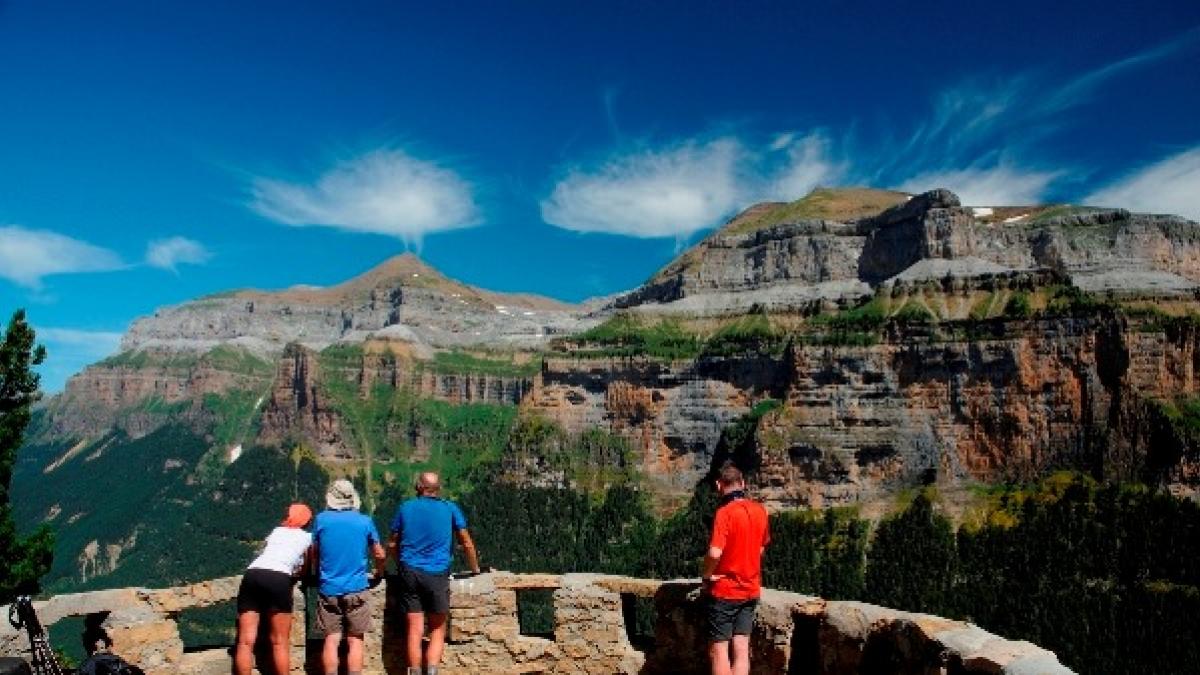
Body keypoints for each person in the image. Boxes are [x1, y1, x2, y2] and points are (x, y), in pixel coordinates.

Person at [388, 472, 481, 675]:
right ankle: (431, 671)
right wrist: (475, 569)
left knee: (414, 628)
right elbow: (466, 541)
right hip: (438, 573)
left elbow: (392, 543)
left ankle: (413, 671)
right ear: (438, 488)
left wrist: (401, 564)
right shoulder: (449, 508)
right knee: (438, 628)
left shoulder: (406, 508)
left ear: (419, 487)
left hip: (409, 572)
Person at [701, 462, 770, 675]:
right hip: (750, 589)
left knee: (719, 650)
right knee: (741, 649)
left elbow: (714, 552)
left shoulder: (725, 513)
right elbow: (760, 550)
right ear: (743, 483)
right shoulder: (760, 510)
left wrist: (707, 575)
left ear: (718, 485)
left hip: (725, 591)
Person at [313, 480, 386, 675]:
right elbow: (379, 554)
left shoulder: (321, 520)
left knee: (331, 639)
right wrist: (379, 572)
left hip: (328, 588)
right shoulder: (364, 521)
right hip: (357, 588)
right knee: (355, 640)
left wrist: (316, 573)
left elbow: (315, 552)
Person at [233, 503, 313, 675]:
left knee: (245, 641)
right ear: (307, 522)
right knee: (279, 641)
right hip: (279, 578)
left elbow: (266, 550)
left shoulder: (277, 531)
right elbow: (306, 566)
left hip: (253, 574)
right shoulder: (307, 538)